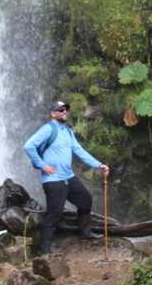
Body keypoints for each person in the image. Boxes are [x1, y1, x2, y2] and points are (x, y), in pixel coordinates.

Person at [24, 101, 110, 255]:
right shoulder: (48, 129)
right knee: (54, 214)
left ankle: (85, 232)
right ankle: (44, 251)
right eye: (61, 110)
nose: (65, 112)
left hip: (68, 177)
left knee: (85, 200)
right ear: (53, 114)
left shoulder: (68, 131)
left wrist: (99, 165)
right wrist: (43, 165)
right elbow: (29, 146)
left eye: (66, 109)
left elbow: (79, 151)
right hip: (53, 180)